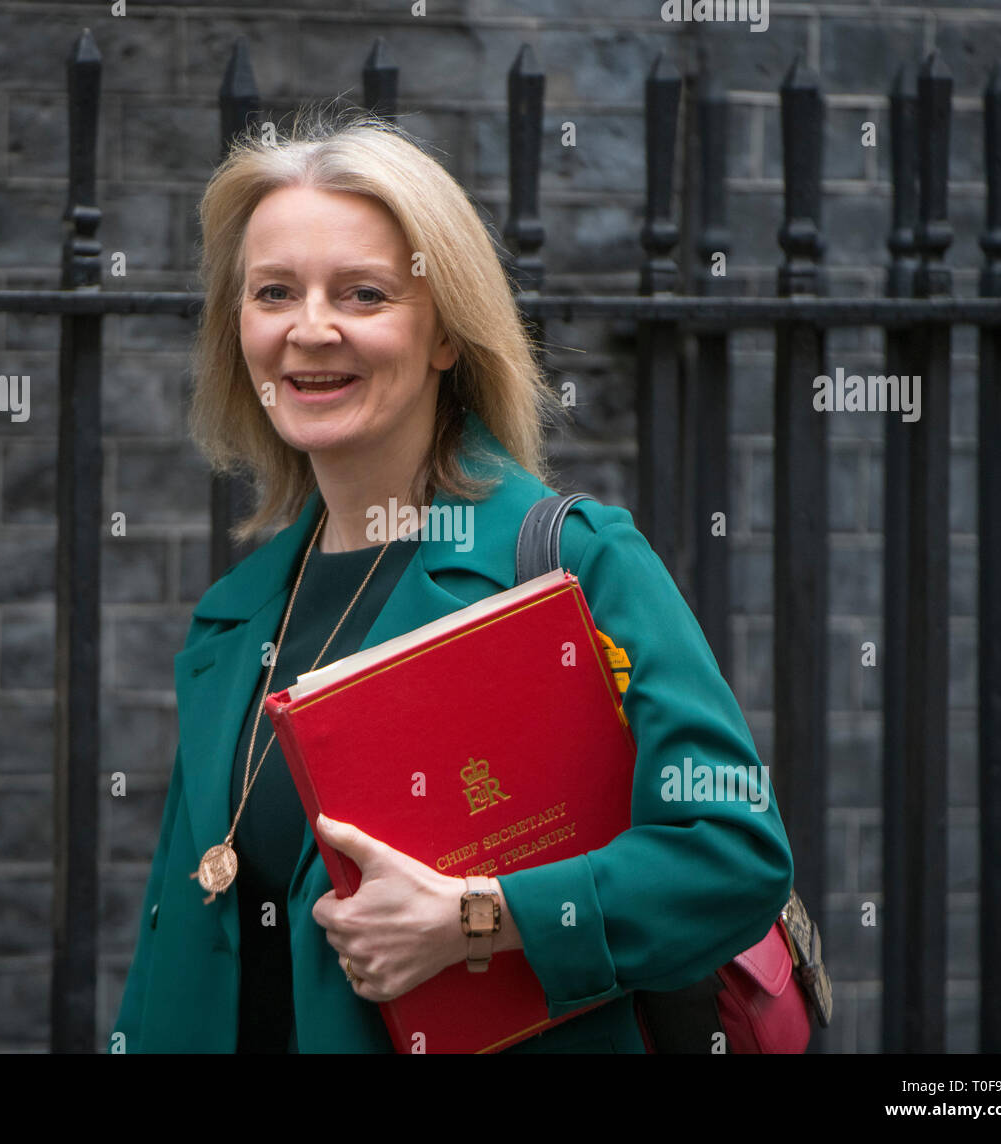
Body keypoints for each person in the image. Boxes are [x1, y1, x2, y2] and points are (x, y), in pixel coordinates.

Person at [109, 109, 794, 1054]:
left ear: (444, 336)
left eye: (363, 294)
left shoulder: (574, 561)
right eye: (274, 292)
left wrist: (479, 916)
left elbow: (734, 853)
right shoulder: (235, 616)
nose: (311, 329)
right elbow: (175, 950)